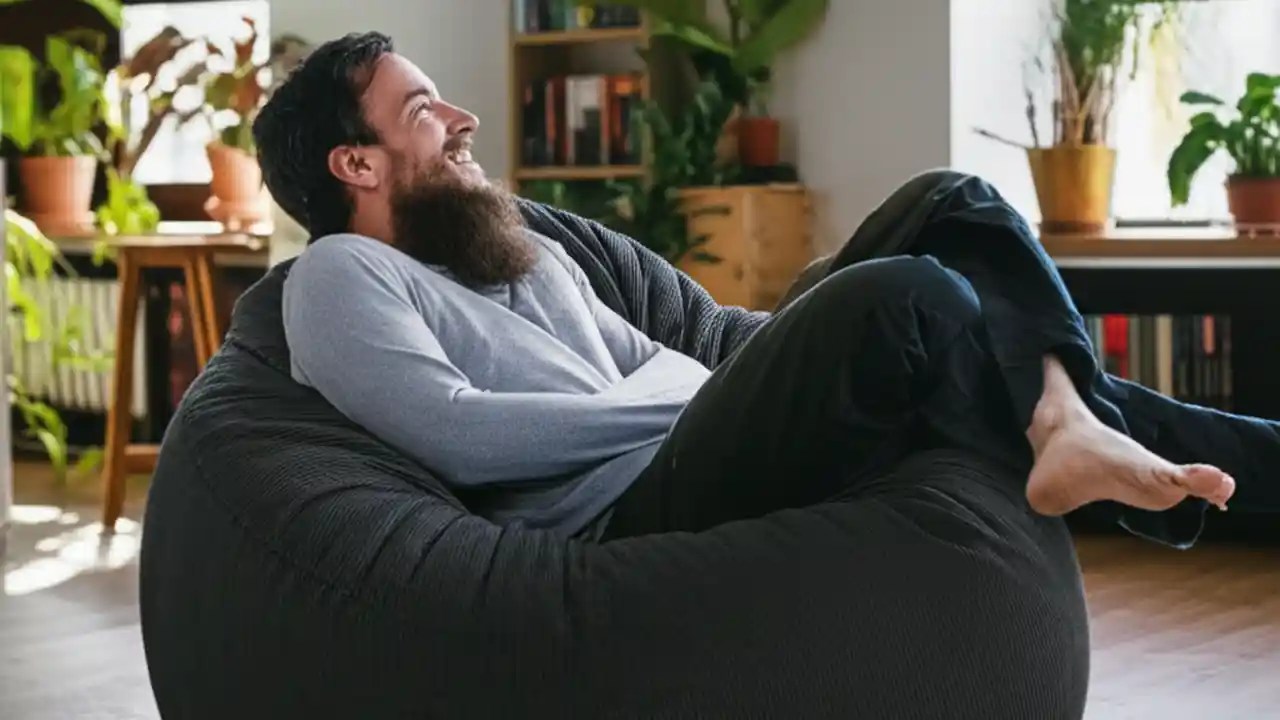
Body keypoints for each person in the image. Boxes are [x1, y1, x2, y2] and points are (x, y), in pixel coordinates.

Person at [254, 32, 1273, 548]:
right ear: (358, 166)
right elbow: (459, 432)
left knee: (950, 197)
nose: (463, 117)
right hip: (633, 502)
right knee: (910, 298)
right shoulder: (341, 278)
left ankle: (1062, 416)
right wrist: (695, 400)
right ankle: (1060, 420)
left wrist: (722, 381)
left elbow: (643, 358)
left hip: (700, 423)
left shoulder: (505, 247)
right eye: (425, 109)